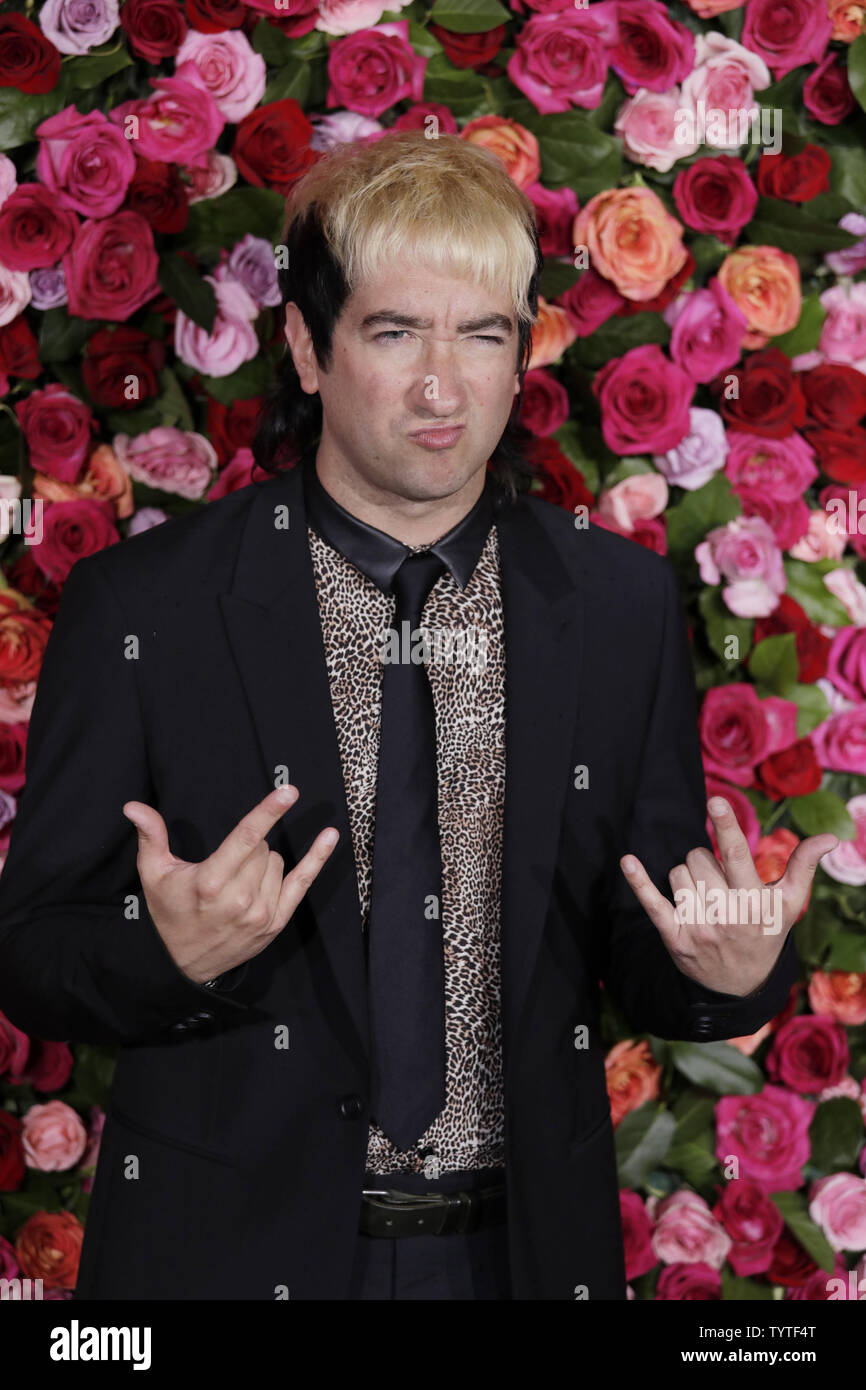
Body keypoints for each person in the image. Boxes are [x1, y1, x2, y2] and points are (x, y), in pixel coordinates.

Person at [0, 130, 836, 1301]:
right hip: (224, 1259)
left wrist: (732, 968)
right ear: (305, 346)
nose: (442, 388)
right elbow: (31, 946)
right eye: (394, 333)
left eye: (481, 334)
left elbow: (641, 943)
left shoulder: (614, 603)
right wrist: (162, 953)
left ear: (519, 351)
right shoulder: (148, 608)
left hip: (519, 1259)